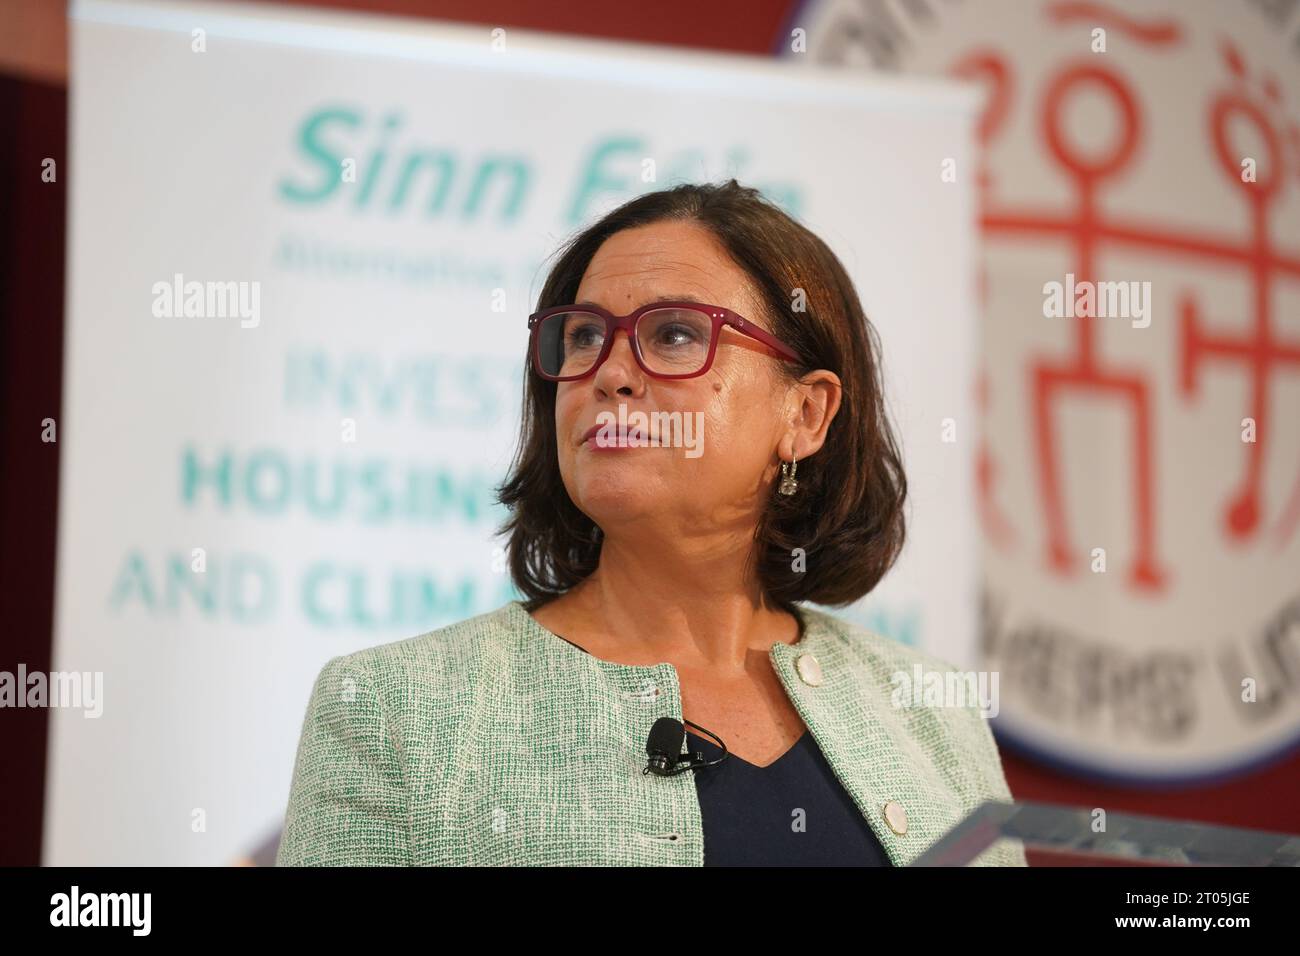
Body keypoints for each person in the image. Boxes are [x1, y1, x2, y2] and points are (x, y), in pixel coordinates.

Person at [276, 179, 1026, 866]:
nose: (609, 371)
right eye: (583, 337)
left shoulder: (935, 713)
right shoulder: (395, 710)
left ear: (804, 413)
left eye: (672, 335)